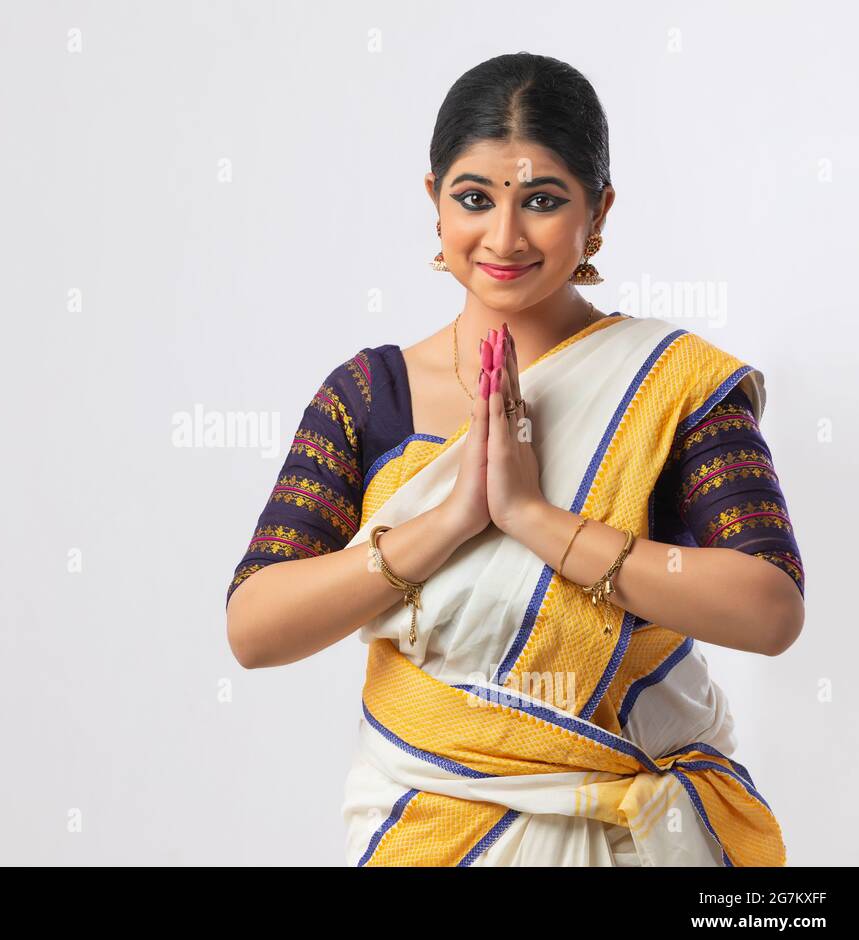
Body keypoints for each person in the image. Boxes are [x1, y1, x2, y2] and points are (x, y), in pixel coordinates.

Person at [223, 52, 803, 867]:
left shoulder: (673, 387)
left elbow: (771, 610)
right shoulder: (368, 395)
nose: (503, 237)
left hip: (633, 835)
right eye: (473, 199)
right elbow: (254, 629)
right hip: (428, 832)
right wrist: (452, 521)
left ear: (597, 212)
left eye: (542, 201)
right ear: (434, 202)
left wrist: (537, 521)